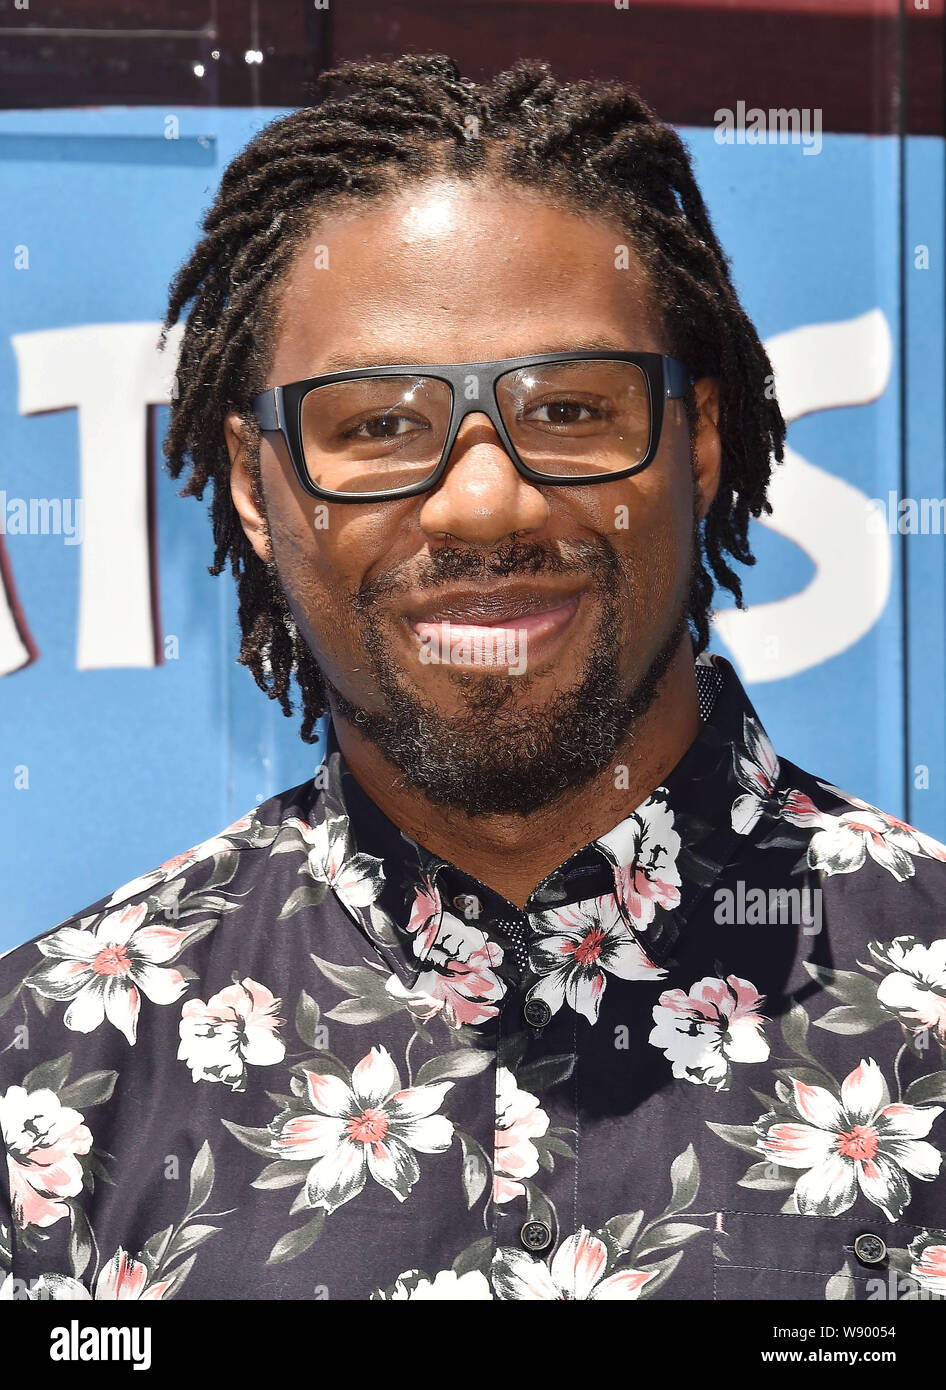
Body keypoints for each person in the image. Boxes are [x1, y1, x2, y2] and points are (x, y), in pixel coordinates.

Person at [2, 53, 944, 1304]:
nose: (484, 496)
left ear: (701, 440)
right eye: (378, 424)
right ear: (253, 484)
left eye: (570, 409)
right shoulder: (52, 1068)